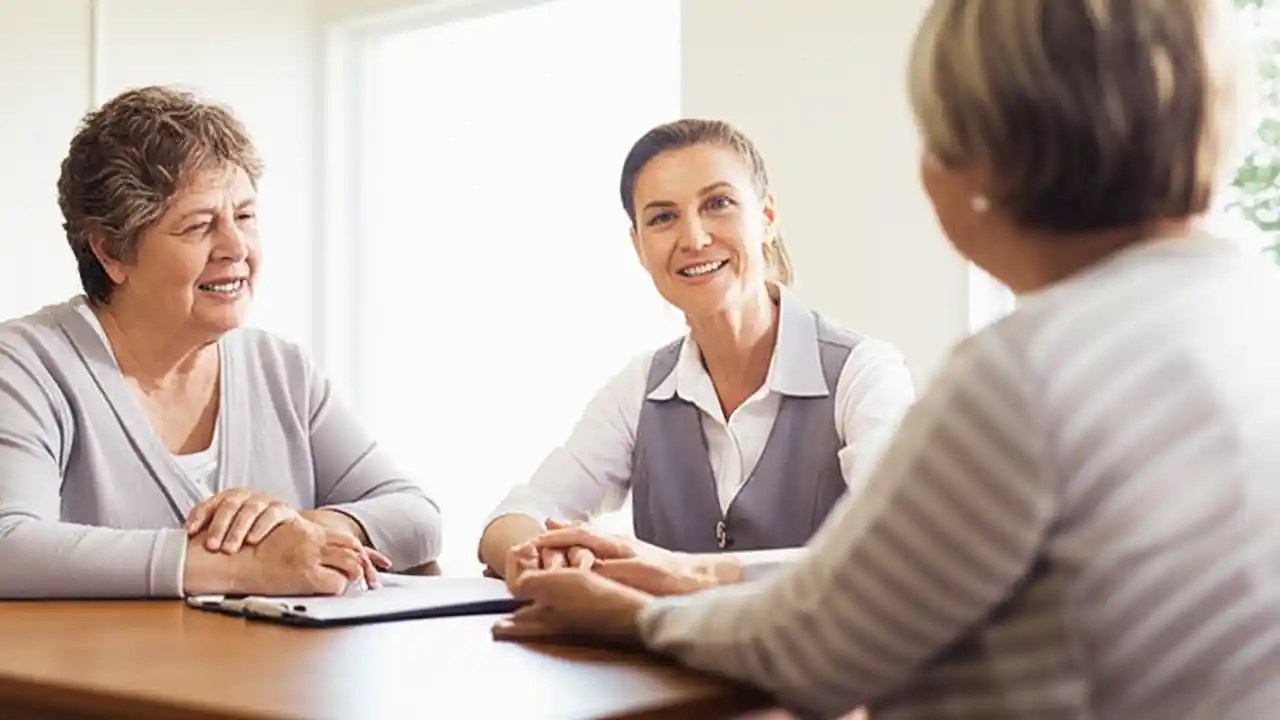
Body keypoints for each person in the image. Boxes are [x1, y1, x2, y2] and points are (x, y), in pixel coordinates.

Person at [492, 1, 1280, 717]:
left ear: (983, 161)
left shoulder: (1020, 375)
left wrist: (635, 612)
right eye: (662, 217)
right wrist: (691, 577)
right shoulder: (1247, 317)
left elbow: (830, 643)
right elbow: (892, 582)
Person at [0, 86, 442, 599]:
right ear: (111, 252)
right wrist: (238, 566)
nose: (236, 248)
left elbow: (416, 513)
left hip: (258, 679)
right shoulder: (25, 368)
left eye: (246, 217)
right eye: (199, 226)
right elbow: (9, 546)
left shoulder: (280, 370)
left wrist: (293, 529)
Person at [478, 119, 915, 587]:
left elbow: (896, 545)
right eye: (663, 217)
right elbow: (518, 515)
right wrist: (546, 559)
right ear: (639, 248)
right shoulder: (641, 386)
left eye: (718, 204)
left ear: (767, 218)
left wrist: (695, 572)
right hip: (659, 660)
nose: (694, 238)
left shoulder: (864, 374)